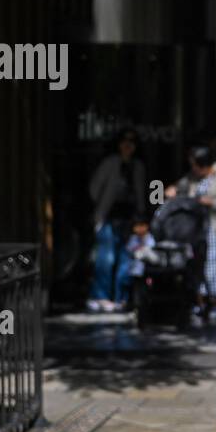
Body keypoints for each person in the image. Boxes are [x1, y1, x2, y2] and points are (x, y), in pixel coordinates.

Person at [87, 129, 146, 312]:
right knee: (106, 257)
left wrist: (142, 213)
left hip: (129, 218)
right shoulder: (110, 163)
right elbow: (94, 188)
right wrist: (103, 204)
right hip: (108, 216)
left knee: (126, 258)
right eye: (124, 142)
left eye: (132, 142)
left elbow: (143, 192)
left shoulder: (138, 166)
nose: (128, 146)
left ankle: (121, 297)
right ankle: (100, 295)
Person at [175, 145, 216, 318]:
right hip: (198, 230)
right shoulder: (193, 179)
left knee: (214, 267)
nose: (193, 168)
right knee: (198, 266)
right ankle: (201, 304)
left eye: (195, 165)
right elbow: (182, 188)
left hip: (214, 229)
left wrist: (203, 201)